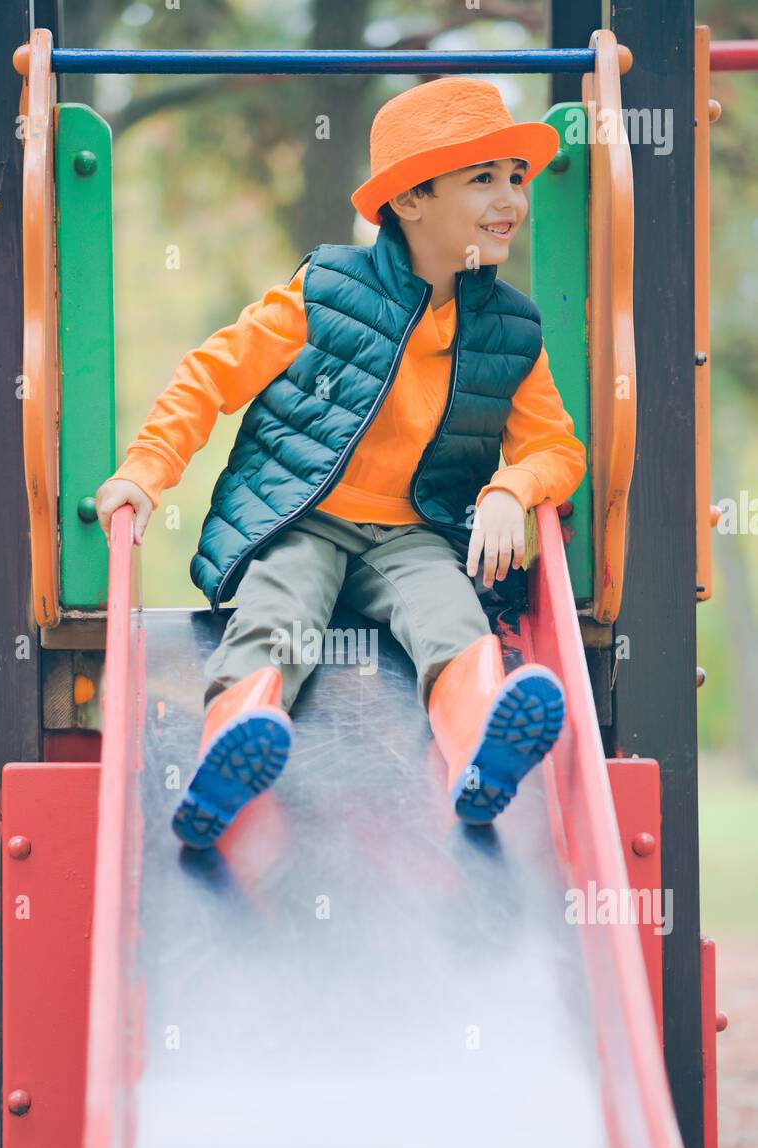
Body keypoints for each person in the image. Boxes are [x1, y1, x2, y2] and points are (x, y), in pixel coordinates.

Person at [95, 76, 586, 850]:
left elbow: (554, 446)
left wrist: (509, 489)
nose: (510, 201)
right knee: (278, 611)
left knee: (452, 617)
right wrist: (145, 472)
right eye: (482, 179)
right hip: (305, 518)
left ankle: (481, 747)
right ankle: (234, 736)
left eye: (515, 179)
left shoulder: (510, 329)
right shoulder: (324, 292)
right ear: (410, 200)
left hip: (415, 535)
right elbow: (210, 376)